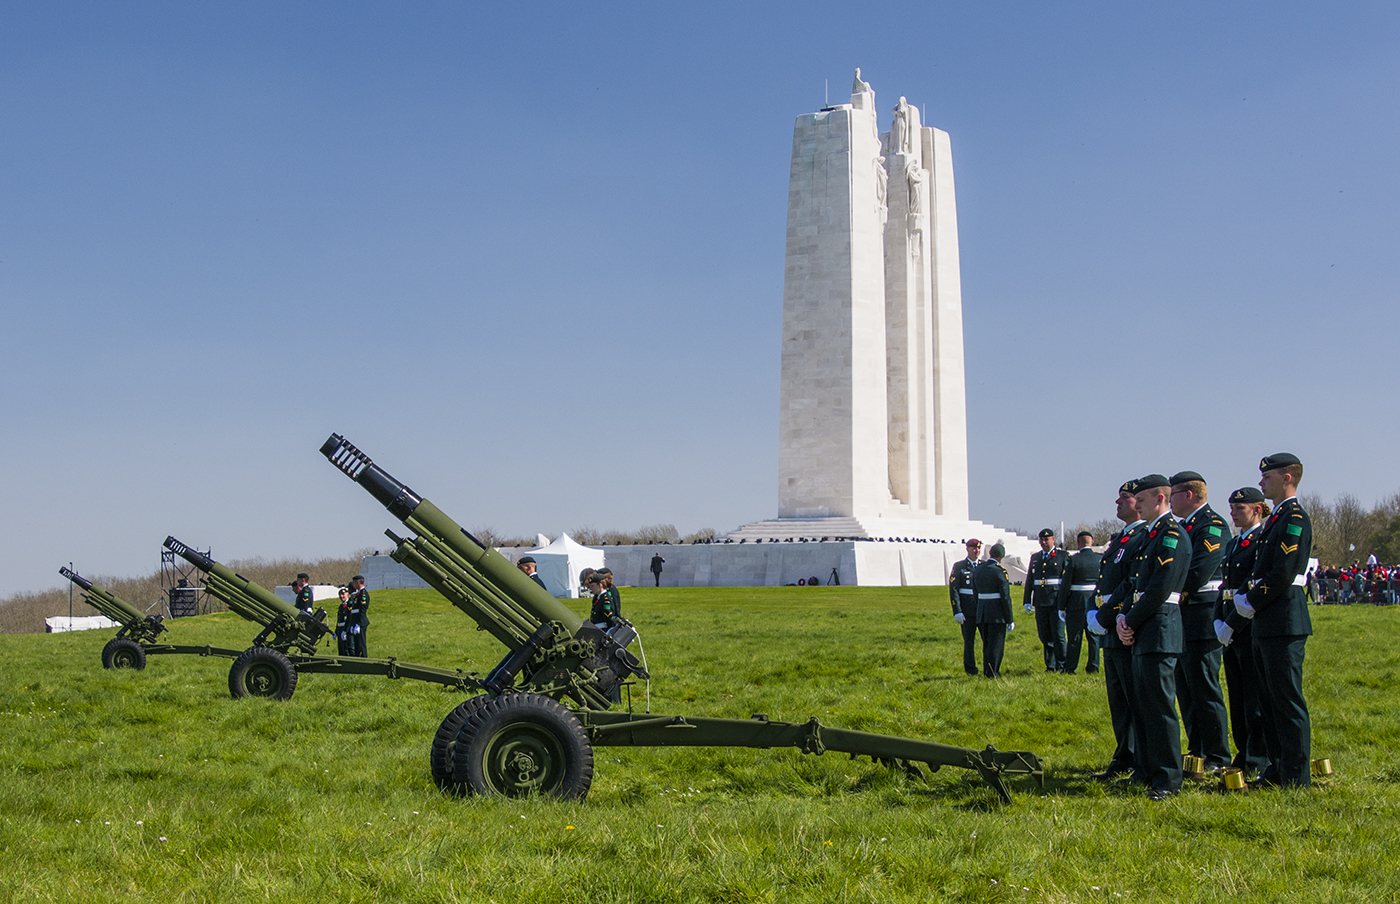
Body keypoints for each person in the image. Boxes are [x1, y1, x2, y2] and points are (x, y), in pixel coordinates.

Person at [1238, 453, 1313, 788]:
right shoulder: (1276, 519)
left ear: (1287, 478)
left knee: (1286, 700)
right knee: (1268, 699)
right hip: (1268, 618)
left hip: (1284, 617)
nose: (1261, 482)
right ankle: (1277, 767)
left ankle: (1296, 776)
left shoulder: (1294, 517)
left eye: (1267, 476)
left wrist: (1250, 600)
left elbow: (1283, 571)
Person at [1118, 476, 1189, 799]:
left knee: (1160, 709)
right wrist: (1124, 619)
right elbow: (1136, 584)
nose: (1137, 505)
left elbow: (1160, 588)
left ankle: (1168, 778)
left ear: (1160, 498)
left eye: (1142, 500)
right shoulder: (1150, 536)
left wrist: (1129, 619)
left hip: (1159, 628)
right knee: (1144, 706)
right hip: (1144, 628)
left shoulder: (1171, 534)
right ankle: (1146, 771)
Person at [1168, 470, 1232, 774]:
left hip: (1202, 614)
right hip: (1184, 614)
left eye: (1173, 494)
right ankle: (1197, 750)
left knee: (1205, 687)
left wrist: (1170, 591)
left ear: (1189, 495)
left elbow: (1199, 570)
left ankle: (1217, 755)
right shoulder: (1186, 526)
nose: (1168, 501)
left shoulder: (1213, 526)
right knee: (1187, 687)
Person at [1087, 479, 1149, 782]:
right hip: (1109, 624)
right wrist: (1093, 609)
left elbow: (1130, 586)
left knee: (1132, 697)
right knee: (1118, 698)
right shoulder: (1121, 539)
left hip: (1123, 624)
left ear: (1139, 502)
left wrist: (1107, 616)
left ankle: (1138, 758)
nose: (1118, 502)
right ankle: (1123, 755)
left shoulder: (1141, 538)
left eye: (1124, 498)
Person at [1214, 487, 1270, 777]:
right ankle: (1243, 751)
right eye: (1232, 508)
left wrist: (1233, 622)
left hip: (1246, 625)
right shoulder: (1234, 543)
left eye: (1240, 508)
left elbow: (1251, 587)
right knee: (1236, 695)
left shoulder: (1261, 540)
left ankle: (1257, 756)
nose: (1234, 513)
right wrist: (1217, 620)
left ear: (1257, 509)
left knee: (1253, 697)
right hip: (1229, 625)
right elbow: (1224, 586)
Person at [1024, 528, 1068, 672]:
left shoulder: (1062, 556)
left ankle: (1062, 664)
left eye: (1047, 539)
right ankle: (1050, 665)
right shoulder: (1035, 557)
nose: (1044, 542)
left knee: (1059, 635)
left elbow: (1066, 581)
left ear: (1053, 540)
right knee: (1044, 635)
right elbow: (1030, 580)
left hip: (1056, 601)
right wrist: (1027, 600)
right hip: (1041, 601)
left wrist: (1065, 602)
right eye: (1042, 540)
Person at [1058, 531, 1102, 674]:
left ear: (1078, 543)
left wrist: (1061, 606)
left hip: (1076, 602)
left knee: (1074, 637)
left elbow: (1065, 585)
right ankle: (1093, 666)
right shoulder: (1100, 559)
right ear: (1092, 542)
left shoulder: (1073, 560)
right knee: (1094, 637)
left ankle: (1070, 667)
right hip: (1095, 601)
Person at [972, 543, 1014, 678]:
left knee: (987, 644)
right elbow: (1005, 597)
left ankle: (986, 669)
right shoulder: (1000, 571)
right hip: (997, 613)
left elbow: (975, 591)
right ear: (1001, 557)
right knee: (996, 645)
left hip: (982, 611)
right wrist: (1010, 618)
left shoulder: (978, 569)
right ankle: (993, 671)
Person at [948, 539, 983, 676]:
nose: (976, 551)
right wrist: (957, 611)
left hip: (981, 609)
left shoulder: (983, 566)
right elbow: (954, 589)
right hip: (967, 611)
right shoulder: (960, 566)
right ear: (967, 549)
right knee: (969, 642)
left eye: (978, 548)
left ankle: (988, 667)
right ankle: (970, 669)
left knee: (987, 640)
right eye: (973, 548)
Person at [347, 574, 369, 658]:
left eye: (354, 582)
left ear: (358, 582)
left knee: (361, 643)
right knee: (357, 644)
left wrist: (358, 624)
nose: (352, 584)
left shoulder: (363, 594)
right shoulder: (357, 594)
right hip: (356, 621)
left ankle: (364, 660)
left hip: (361, 622)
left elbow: (362, 610)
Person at [335, 586, 352, 657]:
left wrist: (345, 630)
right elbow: (339, 620)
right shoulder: (341, 606)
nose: (341, 596)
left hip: (346, 629)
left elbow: (349, 618)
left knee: (346, 649)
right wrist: (336, 632)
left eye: (343, 594)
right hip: (340, 629)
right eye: (340, 594)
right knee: (341, 649)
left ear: (347, 594)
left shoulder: (349, 604)